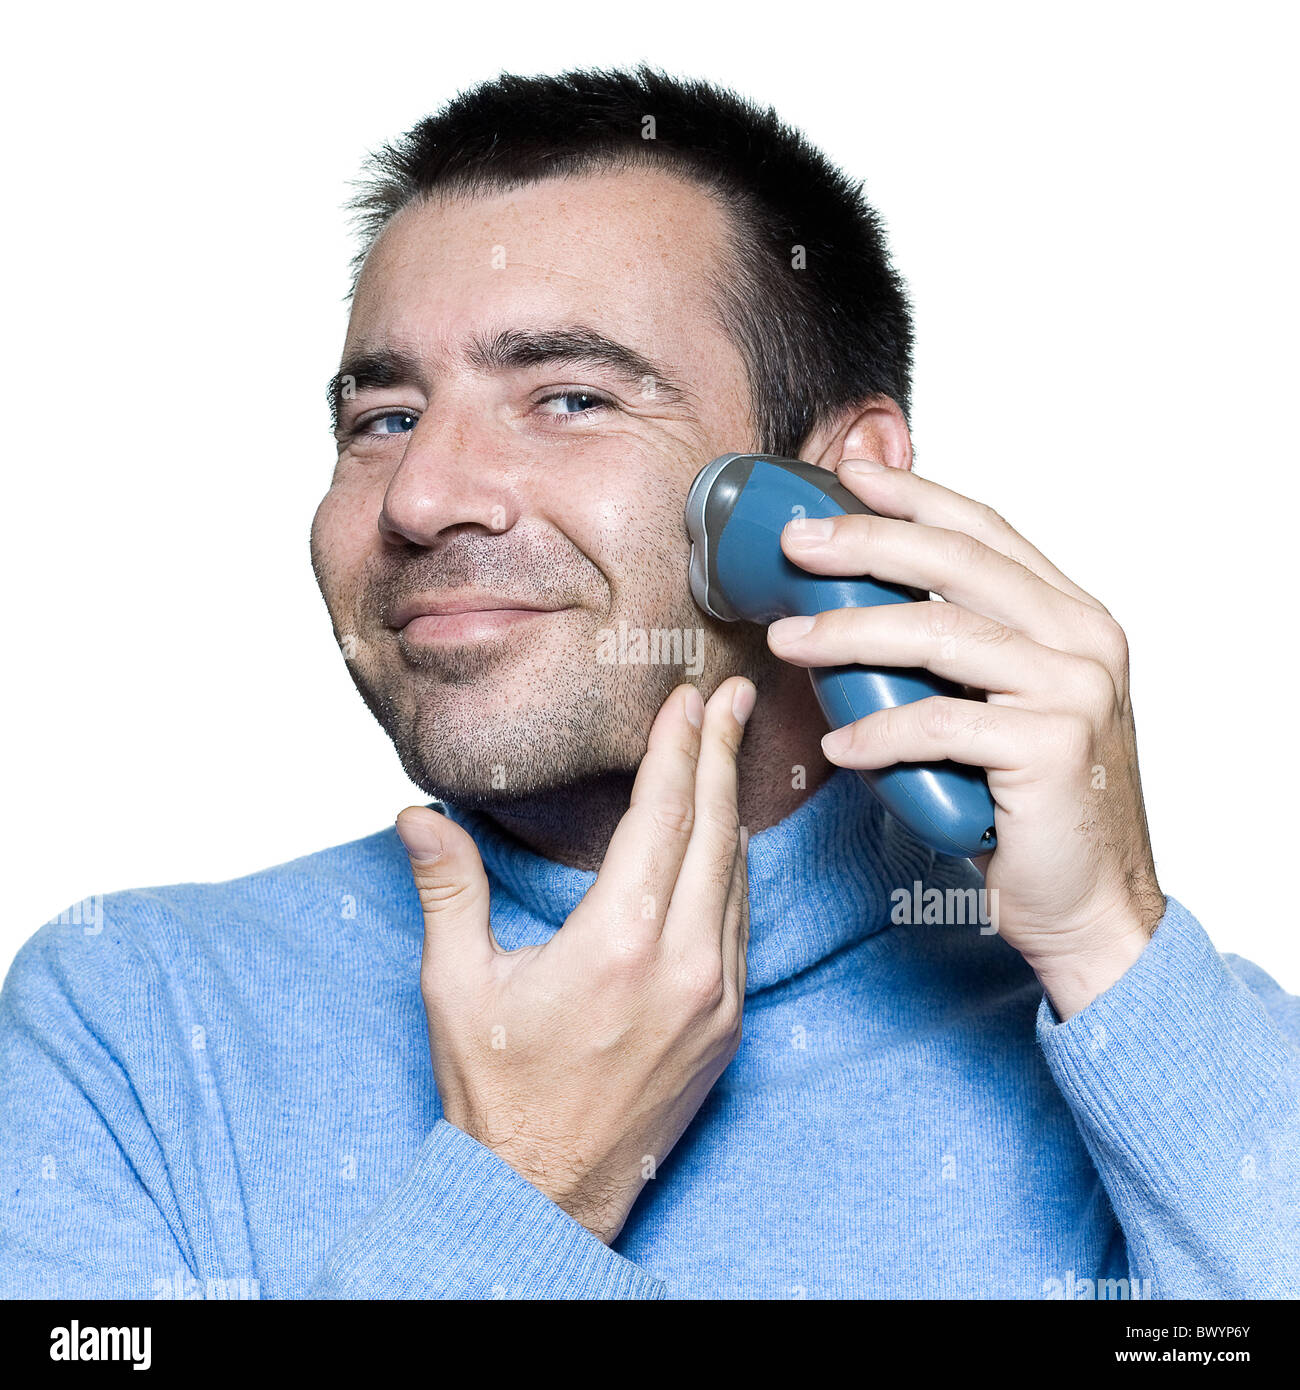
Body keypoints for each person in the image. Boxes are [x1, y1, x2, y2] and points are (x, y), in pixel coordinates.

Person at [2, 67, 1296, 1300]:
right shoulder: (131, 1023)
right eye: (382, 417)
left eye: (567, 397)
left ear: (833, 487)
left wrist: (1114, 951)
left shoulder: (1151, 1049)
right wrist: (524, 1188)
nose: (424, 495)